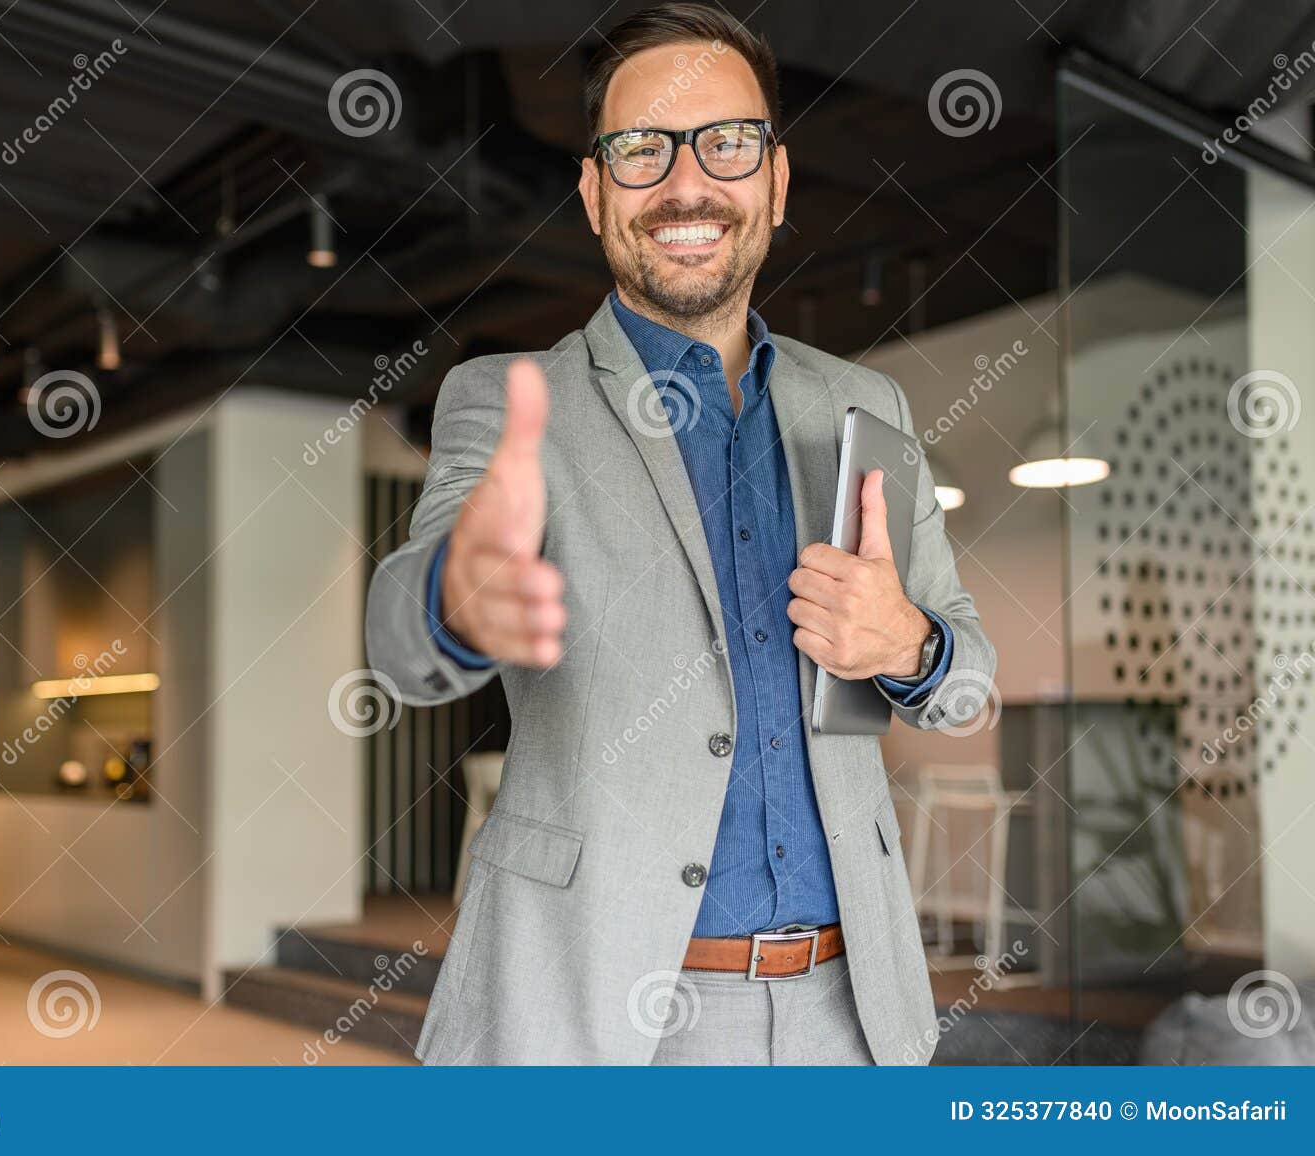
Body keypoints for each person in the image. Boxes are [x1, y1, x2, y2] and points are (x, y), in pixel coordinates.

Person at [364, 1, 995, 1065]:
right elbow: (395, 638)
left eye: (727, 143)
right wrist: (451, 601)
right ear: (594, 190)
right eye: (642, 148)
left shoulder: (865, 406)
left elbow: (966, 673)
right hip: (605, 1008)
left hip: (853, 1015)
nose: (686, 183)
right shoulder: (509, 397)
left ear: (777, 180)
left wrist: (911, 648)